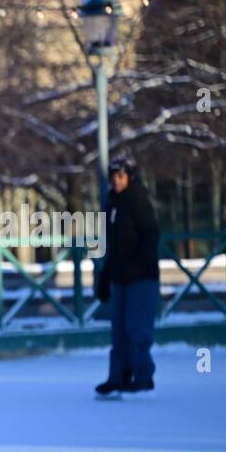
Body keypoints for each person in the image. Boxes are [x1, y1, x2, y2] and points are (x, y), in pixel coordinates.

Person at [95, 156, 160, 399]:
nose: (115, 180)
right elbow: (114, 245)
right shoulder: (112, 203)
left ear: (130, 177)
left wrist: (138, 264)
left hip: (141, 277)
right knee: (119, 330)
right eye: (112, 175)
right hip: (120, 277)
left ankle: (143, 377)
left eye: (120, 175)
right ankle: (118, 376)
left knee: (137, 328)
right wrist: (105, 275)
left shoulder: (138, 201)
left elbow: (151, 236)